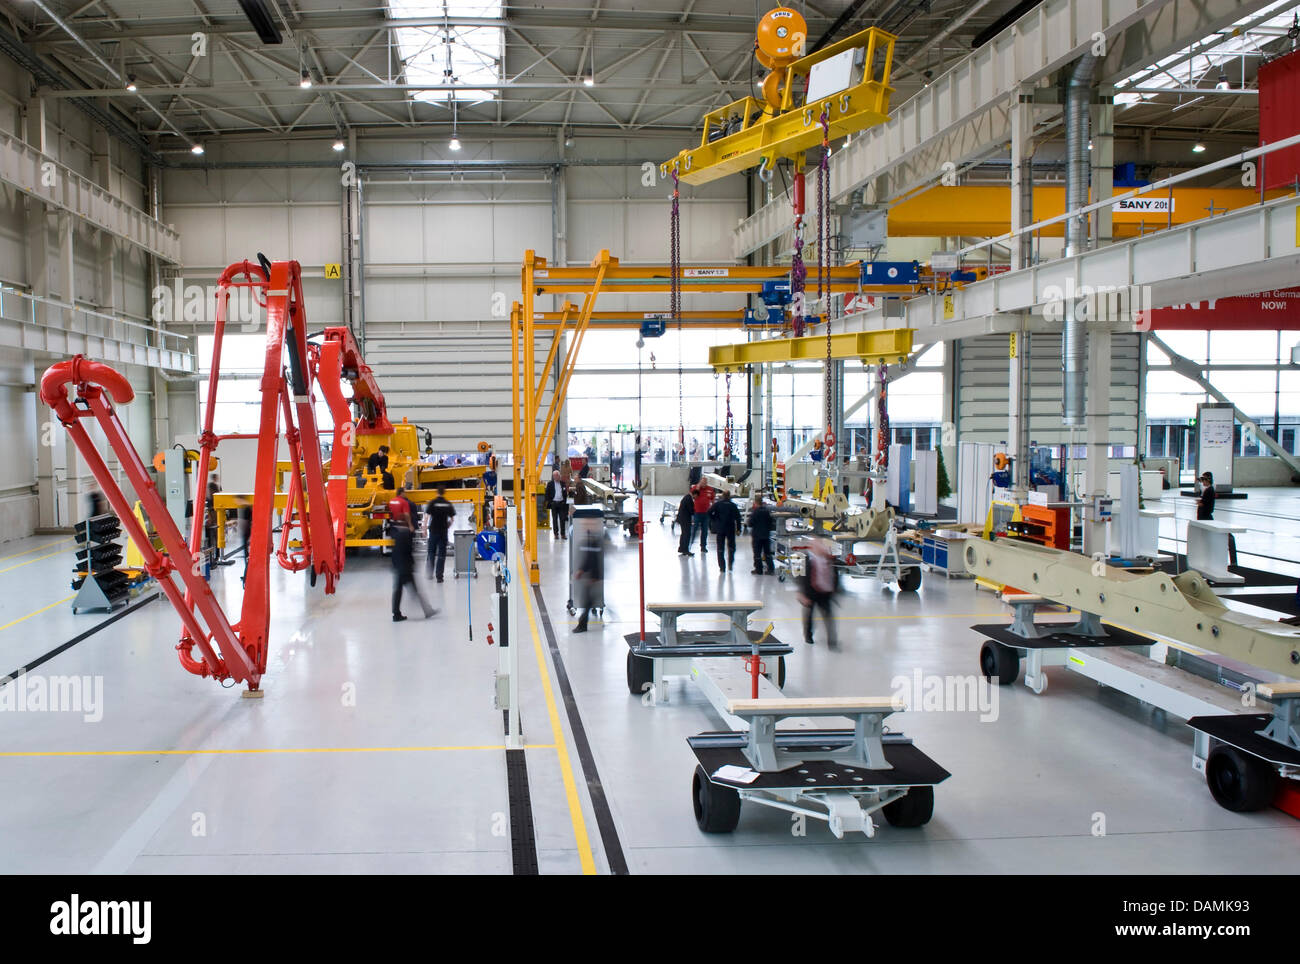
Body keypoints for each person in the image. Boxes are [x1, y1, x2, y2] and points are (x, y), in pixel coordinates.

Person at [389, 503, 436, 622]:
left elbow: (395, 552)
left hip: (399, 567)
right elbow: (408, 552)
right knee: (416, 590)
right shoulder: (406, 535)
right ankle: (427, 610)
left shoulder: (396, 534)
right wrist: (412, 565)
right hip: (406, 568)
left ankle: (396, 614)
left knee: (398, 591)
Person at [798, 539, 838, 647]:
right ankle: (808, 636)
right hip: (811, 592)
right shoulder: (807, 559)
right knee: (809, 616)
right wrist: (802, 593)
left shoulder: (828, 559)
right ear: (812, 548)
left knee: (828, 617)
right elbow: (801, 577)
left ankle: (832, 641)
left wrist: (834, 589)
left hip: (825, 592)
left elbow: (834, 574)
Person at [572, 525, 603, 633]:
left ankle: (582, 625)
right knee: (588, 601)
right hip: (593, 576)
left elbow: (591, 559)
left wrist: (582, 571)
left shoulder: (593, 542)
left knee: (587, 601)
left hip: (593, 577)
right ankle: (582, 624)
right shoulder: (594, 541)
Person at [424, 485, 456, 582]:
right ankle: (439, 576)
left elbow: (427, 517)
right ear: (444, 492)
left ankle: (429, 574)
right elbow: (452, 519)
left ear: (437, 492)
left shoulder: (433, 503)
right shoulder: (447, 504)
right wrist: (447, 526)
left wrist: (424, 529)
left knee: (431, 552)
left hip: (433, 530)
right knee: (442, 554)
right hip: (443, 531)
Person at [709, 490, 742, 572]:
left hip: (720, 528)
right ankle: (730, 563)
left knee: (720, 548)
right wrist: (738, 529)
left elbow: (709, 512)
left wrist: (715, 520)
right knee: (731, 547)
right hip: (730, 528)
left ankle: (722, 567)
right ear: (729, 496)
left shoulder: (718, 504)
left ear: (722, 496)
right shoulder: (733, 505)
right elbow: (738, 518)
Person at [748, 495, 775, 575]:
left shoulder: (755, 512)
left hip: (757, 536)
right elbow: (771, 522)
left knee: (757, 553)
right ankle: (770, 569)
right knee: (767, 553)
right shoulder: (767, 511)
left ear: (756, 503)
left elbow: (750, 523)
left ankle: (758, 569)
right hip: (766, 535)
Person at [690, 476, 715, 554]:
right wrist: (698, 488)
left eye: (705, 483)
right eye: (702, 482)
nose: (704, 484)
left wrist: (713, 509)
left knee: (704, 531)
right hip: (697, 513)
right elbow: (693, 496)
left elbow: (712, 499)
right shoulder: (695, 488)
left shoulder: (710, 489)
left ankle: (703, 546)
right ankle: (690, 544)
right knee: (694, 529)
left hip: (706, 513)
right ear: (700, 482)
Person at [546, 470, 568, 539]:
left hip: (561, 503)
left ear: (559, 476)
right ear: (553, 477)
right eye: (555, 476)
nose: (556, 477)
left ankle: (563, 534)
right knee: (554, 519)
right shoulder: (550, 484)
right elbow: (547, 494)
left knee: (562, 519)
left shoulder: (563, 483)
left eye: (557, 475)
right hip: (554, 504)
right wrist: (550, 502)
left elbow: (565, 493)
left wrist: (564, 501)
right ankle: (556, 534)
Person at [676, 491, 695, 556]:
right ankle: (685, 550)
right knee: (687, 534)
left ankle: (681, 548)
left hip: (682, 518)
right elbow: (691, 510)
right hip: (685, 519)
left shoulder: (686, 497)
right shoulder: (689, 499)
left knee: (684, 534)